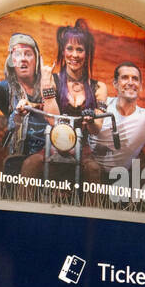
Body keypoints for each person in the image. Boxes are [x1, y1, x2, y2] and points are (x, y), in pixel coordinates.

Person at [21, 19, 105, 183]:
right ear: (63, 51)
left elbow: (96, 130)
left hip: (82, 146)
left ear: (87, 53)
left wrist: (91, 121)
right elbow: (53, 120)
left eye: (80, 50)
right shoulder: (52, 79)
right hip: (53, 143)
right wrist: (45, 83)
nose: (74, 55)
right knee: (30, 164)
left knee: (94, 170)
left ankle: (92, 208)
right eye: (70, 49)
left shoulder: (98, 87)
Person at [0, 33, 59, 175]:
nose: (23, 59)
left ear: (37, 59)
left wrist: (47, 85)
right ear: (12, 61)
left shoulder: (52, 80)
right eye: (18, 54)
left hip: (53, 156)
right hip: (19, 161)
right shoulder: (6, 89)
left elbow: (56, 119)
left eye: (28, 54)